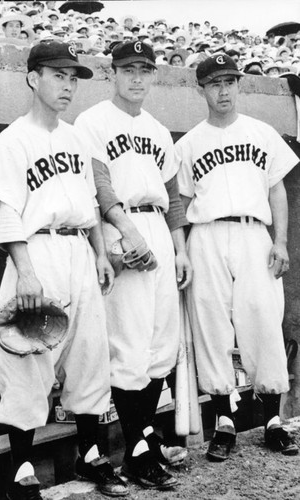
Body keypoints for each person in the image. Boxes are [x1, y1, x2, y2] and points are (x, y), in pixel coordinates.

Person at [0, 41, 128, 500]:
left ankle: (90, 454)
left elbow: (89, 205)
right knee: (28, 361)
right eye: (58, 75)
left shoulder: (76, 139)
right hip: (36, 252)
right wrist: (24, 272)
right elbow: (7, 214)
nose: (68, 85)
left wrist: (101, 253)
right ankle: (22, 468)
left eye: (73, 77)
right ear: (33, 78)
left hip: (80, 250)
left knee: (88, 357)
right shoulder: (11, 140)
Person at [74, 41, 192, 491]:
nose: (137, 78)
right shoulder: (93, 121)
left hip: (158, 226)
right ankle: (138, 453)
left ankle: (144, 445)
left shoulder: (160, 129)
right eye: (128, 70)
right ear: (113, 74)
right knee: (128, 344)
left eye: (144, 69)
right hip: (121, 227)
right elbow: (100, 186)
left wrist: (179, 249)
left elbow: (174, 196)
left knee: (160, 345)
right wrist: (127, 233)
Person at [175, 53, 299, 463]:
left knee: (263, 317)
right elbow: (182, 203)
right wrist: (182, 250)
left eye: (229, 81)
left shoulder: (262, 132)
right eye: (215, 83)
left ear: (238, 85)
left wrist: (280, 241)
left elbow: (277, 191)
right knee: (211, 324)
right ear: (201, 89)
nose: (223, 90)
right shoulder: (189, 142)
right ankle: (225, 425)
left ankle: (272, 422)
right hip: (207, 234)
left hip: (252, 233)